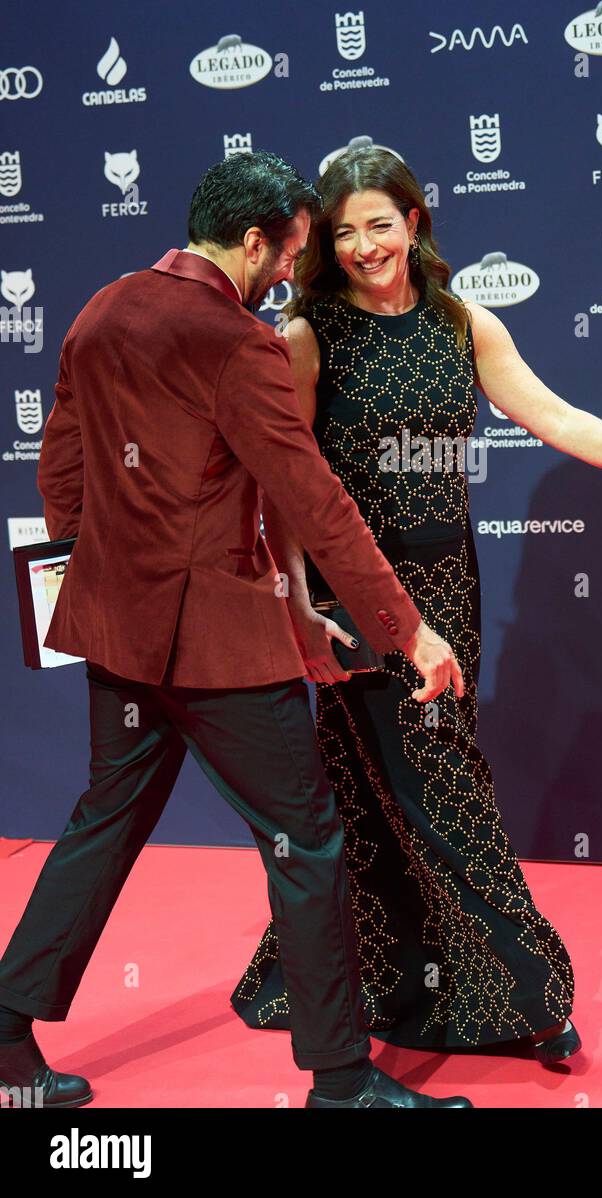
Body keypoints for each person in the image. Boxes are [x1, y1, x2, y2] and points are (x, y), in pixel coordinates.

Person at [0, 151, 473, 1111]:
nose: (292, 277)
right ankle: (341, 1082)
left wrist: (100, 574)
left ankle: (7, 1032)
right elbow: (316, 500)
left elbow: (61, 472)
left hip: (118, 636)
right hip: (218, 649)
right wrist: (408, 628)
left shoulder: (100, 309)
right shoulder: (236, 341)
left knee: (104, 824)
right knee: (307, 843)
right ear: (253, 242)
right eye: (291, 256)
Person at [231, 145, 602, 1064]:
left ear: (415, 221)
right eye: (345, 232)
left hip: (451, 582)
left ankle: (366, 981)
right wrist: (297, 605)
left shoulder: (463, 323)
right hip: (356, 593)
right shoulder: (308, 336)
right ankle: (529, 992)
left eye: (381, 223)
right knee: (441, 789)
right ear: (328, 245)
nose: (366, 245)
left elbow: (555, 415)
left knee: (378, 795)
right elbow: (283, 488)